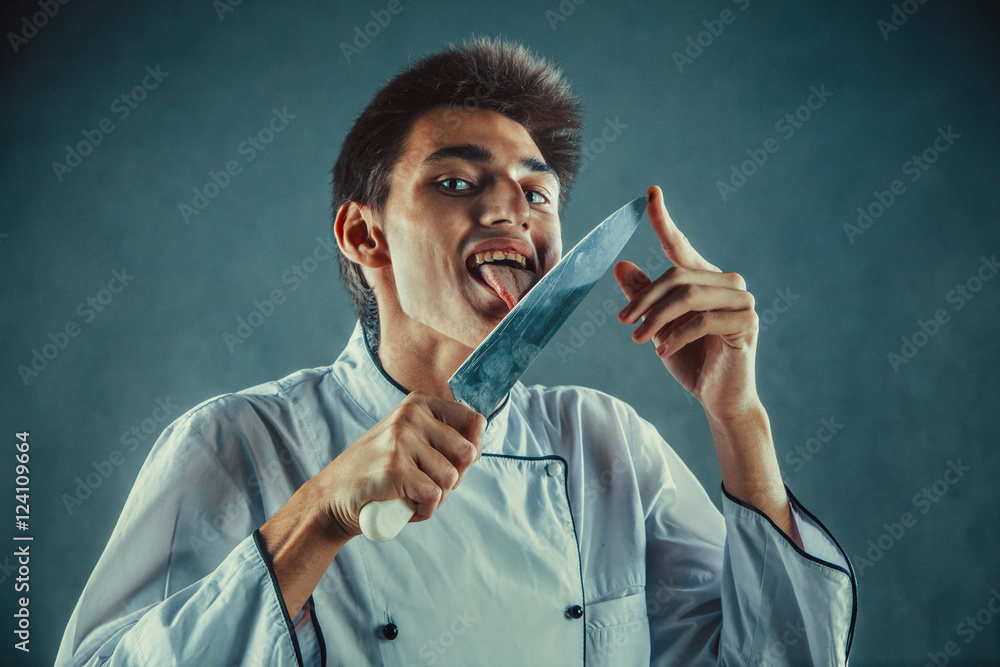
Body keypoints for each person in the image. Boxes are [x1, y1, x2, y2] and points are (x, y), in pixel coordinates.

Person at [57, 36, 856, 666]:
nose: (514, 206)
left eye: (537, 192)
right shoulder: (237, 444)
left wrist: (737, 415)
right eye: (456, 182)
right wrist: (322, 511)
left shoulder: (606, 445)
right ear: (363, 233)